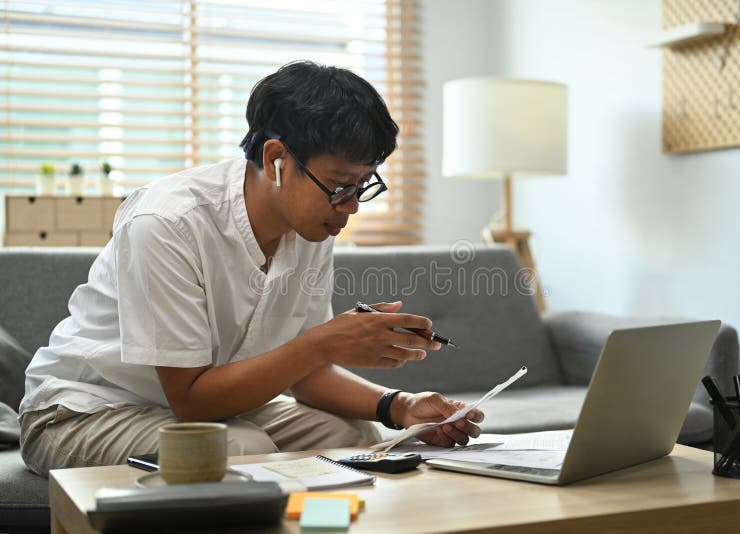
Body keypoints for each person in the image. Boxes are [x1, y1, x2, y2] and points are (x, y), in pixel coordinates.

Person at [18, 61, 483, 476]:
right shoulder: (166, 223)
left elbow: (300, 372)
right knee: (240, 448)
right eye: (342, 185)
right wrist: (323, 341)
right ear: (277, 160)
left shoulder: (311, 223)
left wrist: (400, 407)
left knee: (355, 438)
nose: (353, 206)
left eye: (363, 184)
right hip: (85, 410)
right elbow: (193, 399)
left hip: (204, 409)